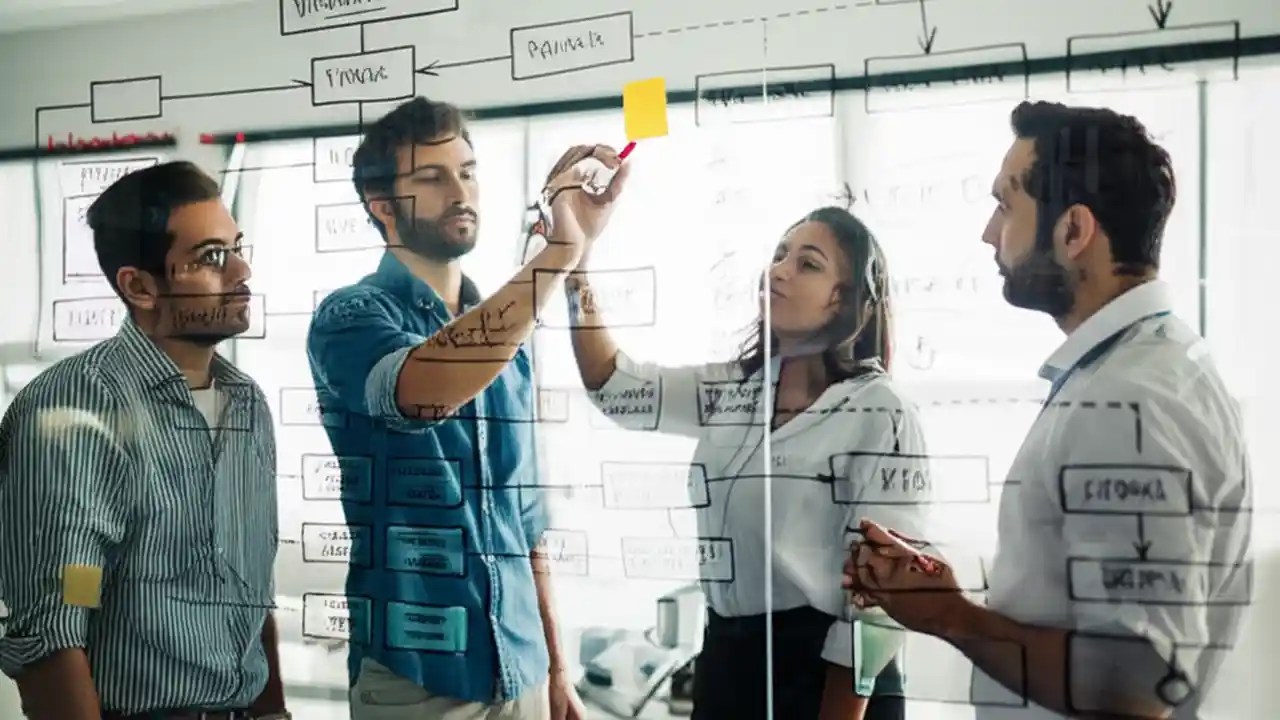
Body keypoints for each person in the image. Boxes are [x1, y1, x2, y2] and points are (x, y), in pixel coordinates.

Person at [843, 101, 1252, 719]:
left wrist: (948, 615)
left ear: (1073, 231)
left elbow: (1135, 686)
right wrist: (947, 589)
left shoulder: (1131, 400)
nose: (988, 232)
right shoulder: (1132, 370)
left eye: (1006, 205)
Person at [305, 98, 628, 720]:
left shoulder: (509, 337)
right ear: (381, 206)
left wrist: (559, 671)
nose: (461, 191)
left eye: (468, 171)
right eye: (432, 177)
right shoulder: (350, 316)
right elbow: (423, 391)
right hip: (418, 680)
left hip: (524, 670)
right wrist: (557, 253)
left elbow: (523, 522)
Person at [563, 196, 934, 720]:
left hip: (832, 682)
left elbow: (882, 605)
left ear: (846, 301)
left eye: (807, 264)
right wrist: (575, 262)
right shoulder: (733, 390)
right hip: (729, 664)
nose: (778, 270)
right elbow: (616, 388)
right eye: (780, 254)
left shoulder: (878, 410)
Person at [0, 161, 287, 720]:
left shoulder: (247, 403)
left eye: (237, 247)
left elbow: (253, 589)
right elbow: (55, 628)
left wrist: (274, 712)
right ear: (140, 286)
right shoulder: (75, 408)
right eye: (211, 257)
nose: (242, 270)